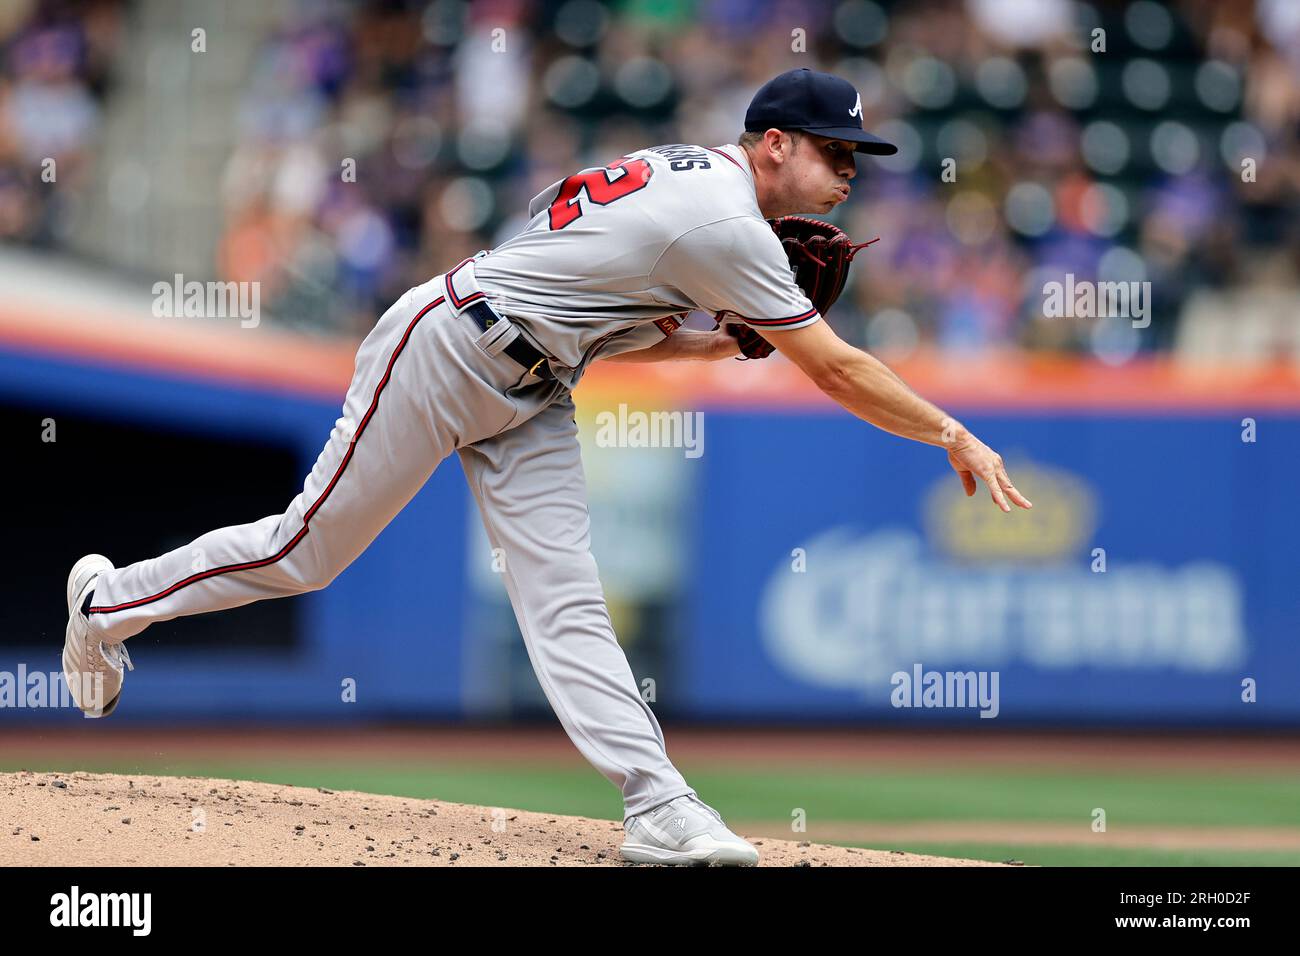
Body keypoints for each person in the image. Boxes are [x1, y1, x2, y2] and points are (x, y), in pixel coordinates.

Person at [62, 68, 1030, 867]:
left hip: (532, 381)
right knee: (303, 550)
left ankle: (659, 802)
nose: (848, 173)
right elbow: (837, 366)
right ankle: (104, 605)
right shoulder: (725, 221)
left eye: (855, 156)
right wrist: (952, 431)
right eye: (834, 150)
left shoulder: (687, 179)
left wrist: (719, 345)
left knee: (566, 599)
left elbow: (591, 301)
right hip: (444, 347)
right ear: (773, 141)